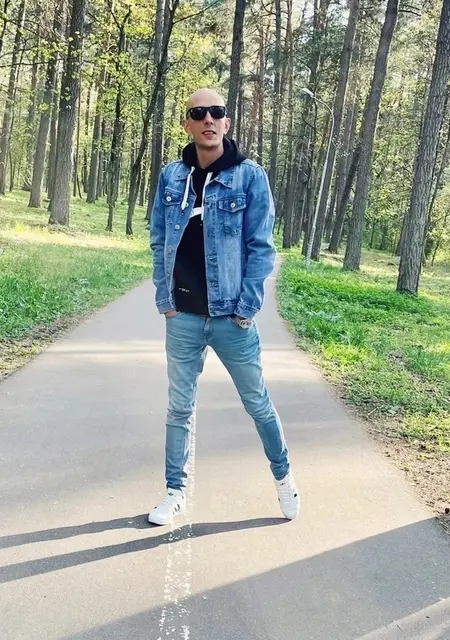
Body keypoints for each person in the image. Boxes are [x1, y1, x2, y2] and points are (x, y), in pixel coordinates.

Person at [148, 87, 299, 526]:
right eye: (198, 113)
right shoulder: (172, 175)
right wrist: (165, 299)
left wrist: (246, 308)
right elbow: (158, 238)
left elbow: (261, 248)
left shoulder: (249, 176)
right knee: (179, 408)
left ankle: (283, 478)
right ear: (187, 124)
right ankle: (174, 491)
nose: (208, 119)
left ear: (227, 122)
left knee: (257, 402)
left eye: (216, 112)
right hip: (183, 316)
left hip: (232, 317)